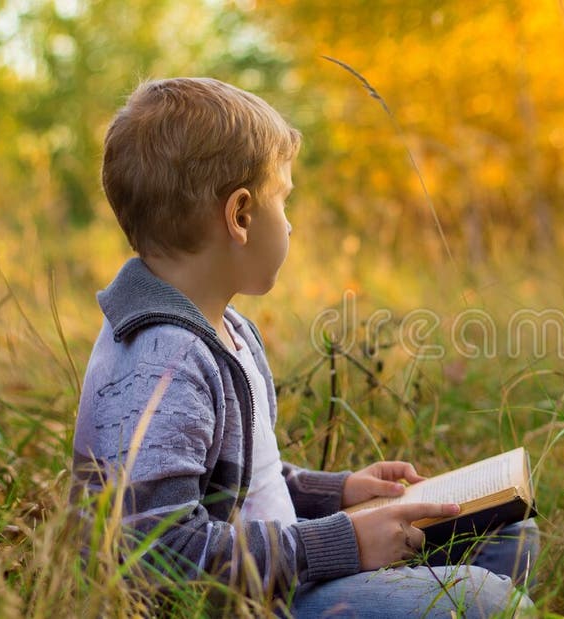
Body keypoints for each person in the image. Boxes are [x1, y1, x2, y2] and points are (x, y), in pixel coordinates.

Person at [71, 77, 536, 617]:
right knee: (488, 602)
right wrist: (345, 542)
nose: (289, 224)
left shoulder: (226, 331)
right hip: (251, 601)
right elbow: (158, 555)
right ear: (240, 216)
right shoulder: (162, 360)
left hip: (283, 566)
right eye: (284, 201)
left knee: (512, 537)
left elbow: (247, 485)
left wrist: (338, 493)